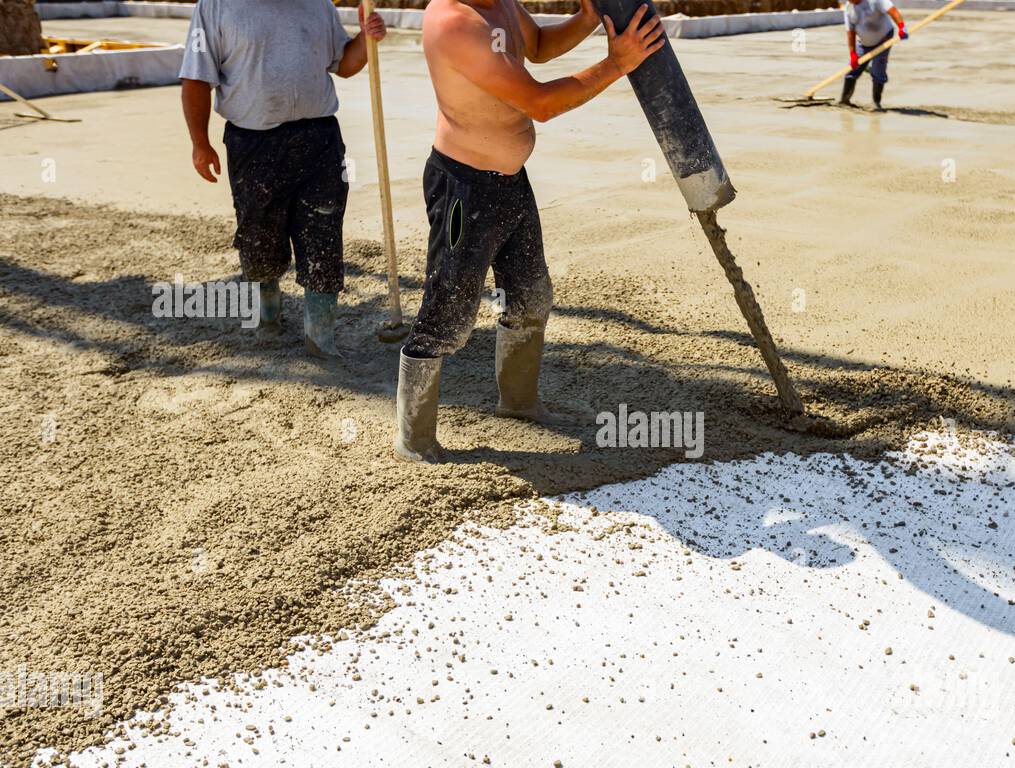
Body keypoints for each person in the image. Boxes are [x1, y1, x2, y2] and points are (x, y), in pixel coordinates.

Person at [394, 0, 663, 464]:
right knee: (449, 314)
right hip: (464, 187)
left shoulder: (499, 3)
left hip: (511, 182)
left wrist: (583, 20)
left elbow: (535, 45)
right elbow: (540, 103)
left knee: (531, 296)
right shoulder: (456, 22)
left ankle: (517, 405)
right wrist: (617, 63)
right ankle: (413, 438)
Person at [179, 0, 388, 357]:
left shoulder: (318, 3)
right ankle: (268, 313)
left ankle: (320, 339)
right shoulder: (215, 6)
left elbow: (345, 65)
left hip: (319, 139)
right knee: (259, 237)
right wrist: (201, 142)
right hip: (253, 143)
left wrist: (365, 40)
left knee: (323, 235)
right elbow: (197, 78)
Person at [841, 0, 907, 110]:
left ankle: (876, 103)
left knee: (878, 71)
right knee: (852, 70)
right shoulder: (849, 8)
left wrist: (901, 26)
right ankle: (844, 100)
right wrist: (853, 54)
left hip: (884, 39)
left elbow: (892, 11)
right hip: (864, 43)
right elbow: (850, 33)